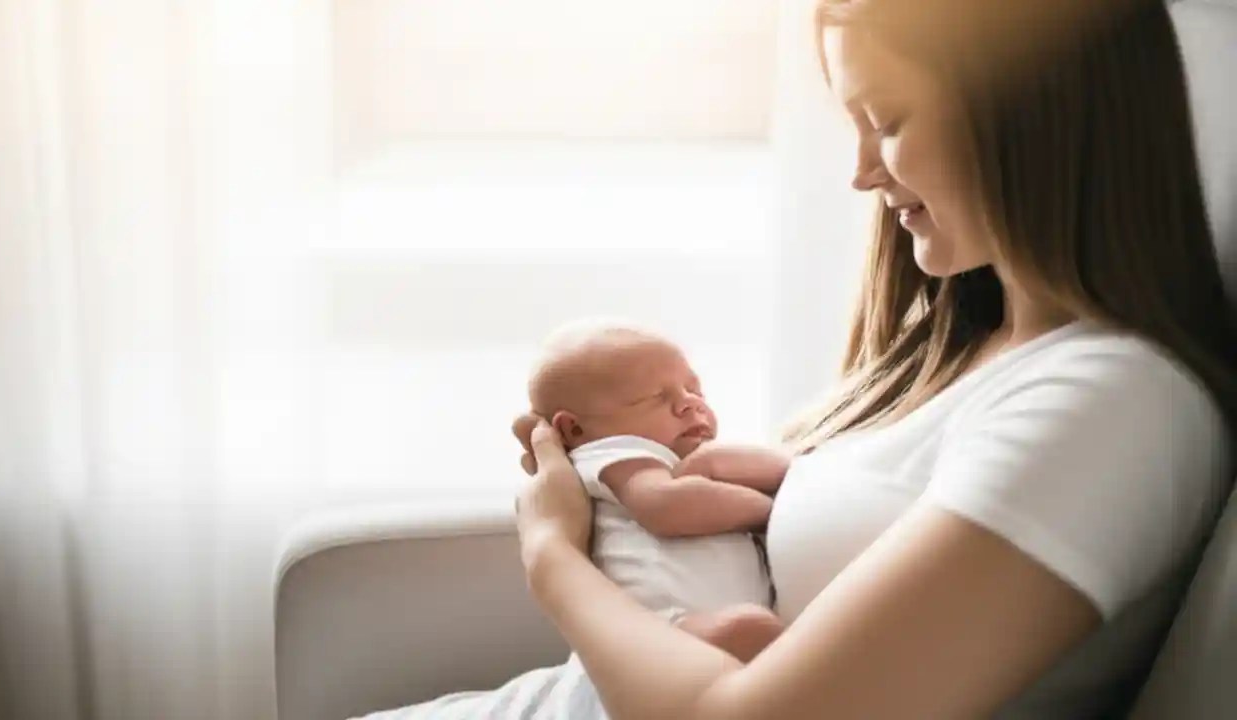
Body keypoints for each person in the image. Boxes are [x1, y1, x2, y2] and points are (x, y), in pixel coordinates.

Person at [364, 0, 1237, 717]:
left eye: (886, 121)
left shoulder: (1110, 410)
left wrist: (552, 551)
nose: (860, 171)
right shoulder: (966, 346)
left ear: (1032, 109)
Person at [525, 319, 789, 662]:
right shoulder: (613, 452)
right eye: (654, 397)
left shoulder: (669, 463)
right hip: (664, 630)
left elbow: (780, 470)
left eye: (695, 391)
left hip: (687, 629)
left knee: (760, 634)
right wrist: (771, 511)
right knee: (753, 631)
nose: (690, 405)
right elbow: (665, 508)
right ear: (574, 428)